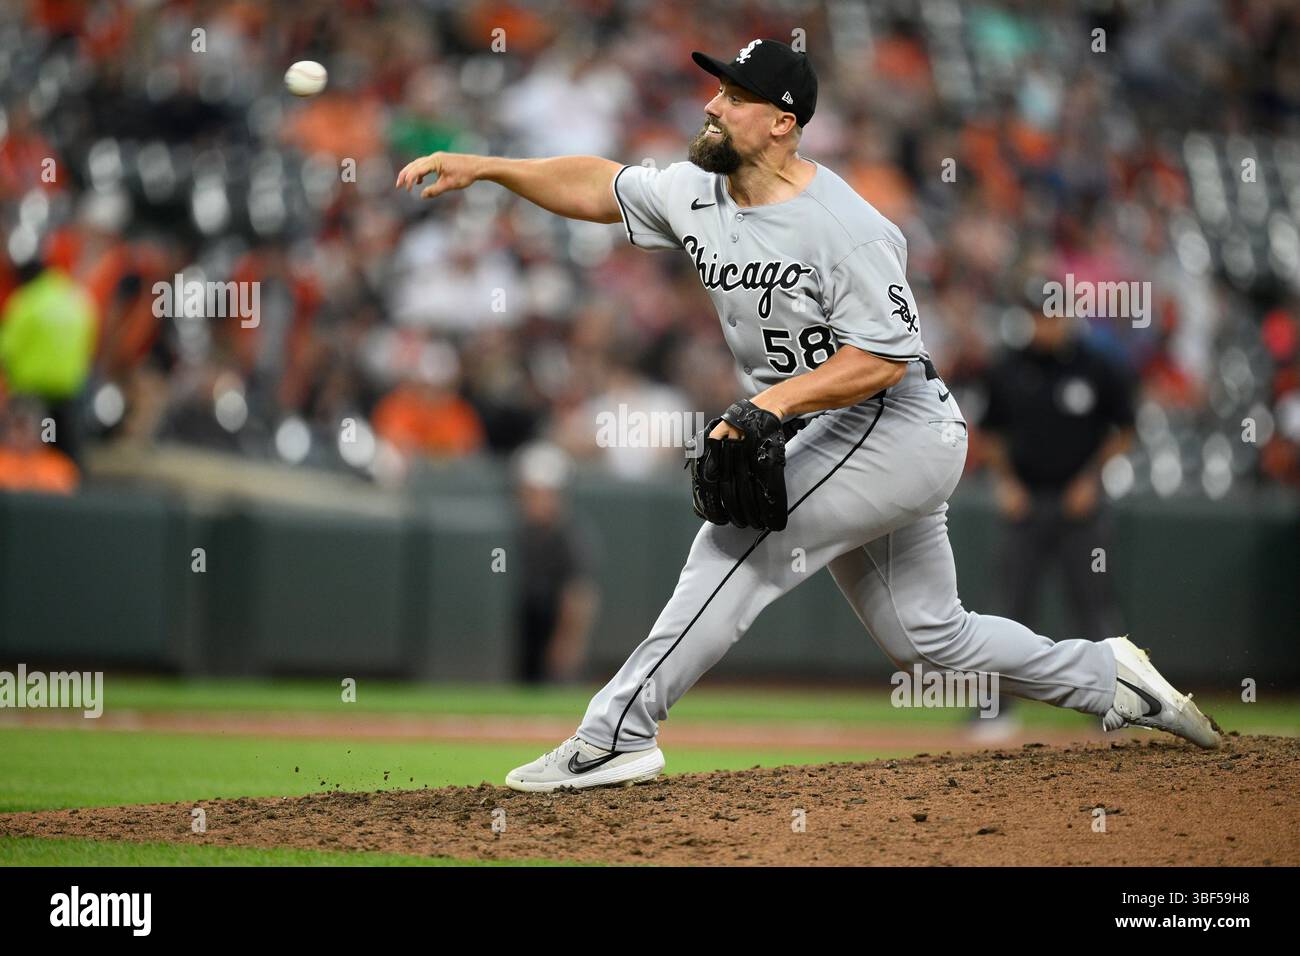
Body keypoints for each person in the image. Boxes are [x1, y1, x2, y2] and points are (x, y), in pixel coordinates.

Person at [396, 38, 1220, 793]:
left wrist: (770, 404)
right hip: (835, 427)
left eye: (737, 95)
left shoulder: (846, 227)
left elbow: (884, 355)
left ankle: (618, 734)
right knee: (927, 636)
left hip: (894, 422)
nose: (714, 105)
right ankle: (1111, 676)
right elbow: (600, 185)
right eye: (718, 89)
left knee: (733, 542)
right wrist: (491, 166)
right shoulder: (695, 192)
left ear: (783, 124)